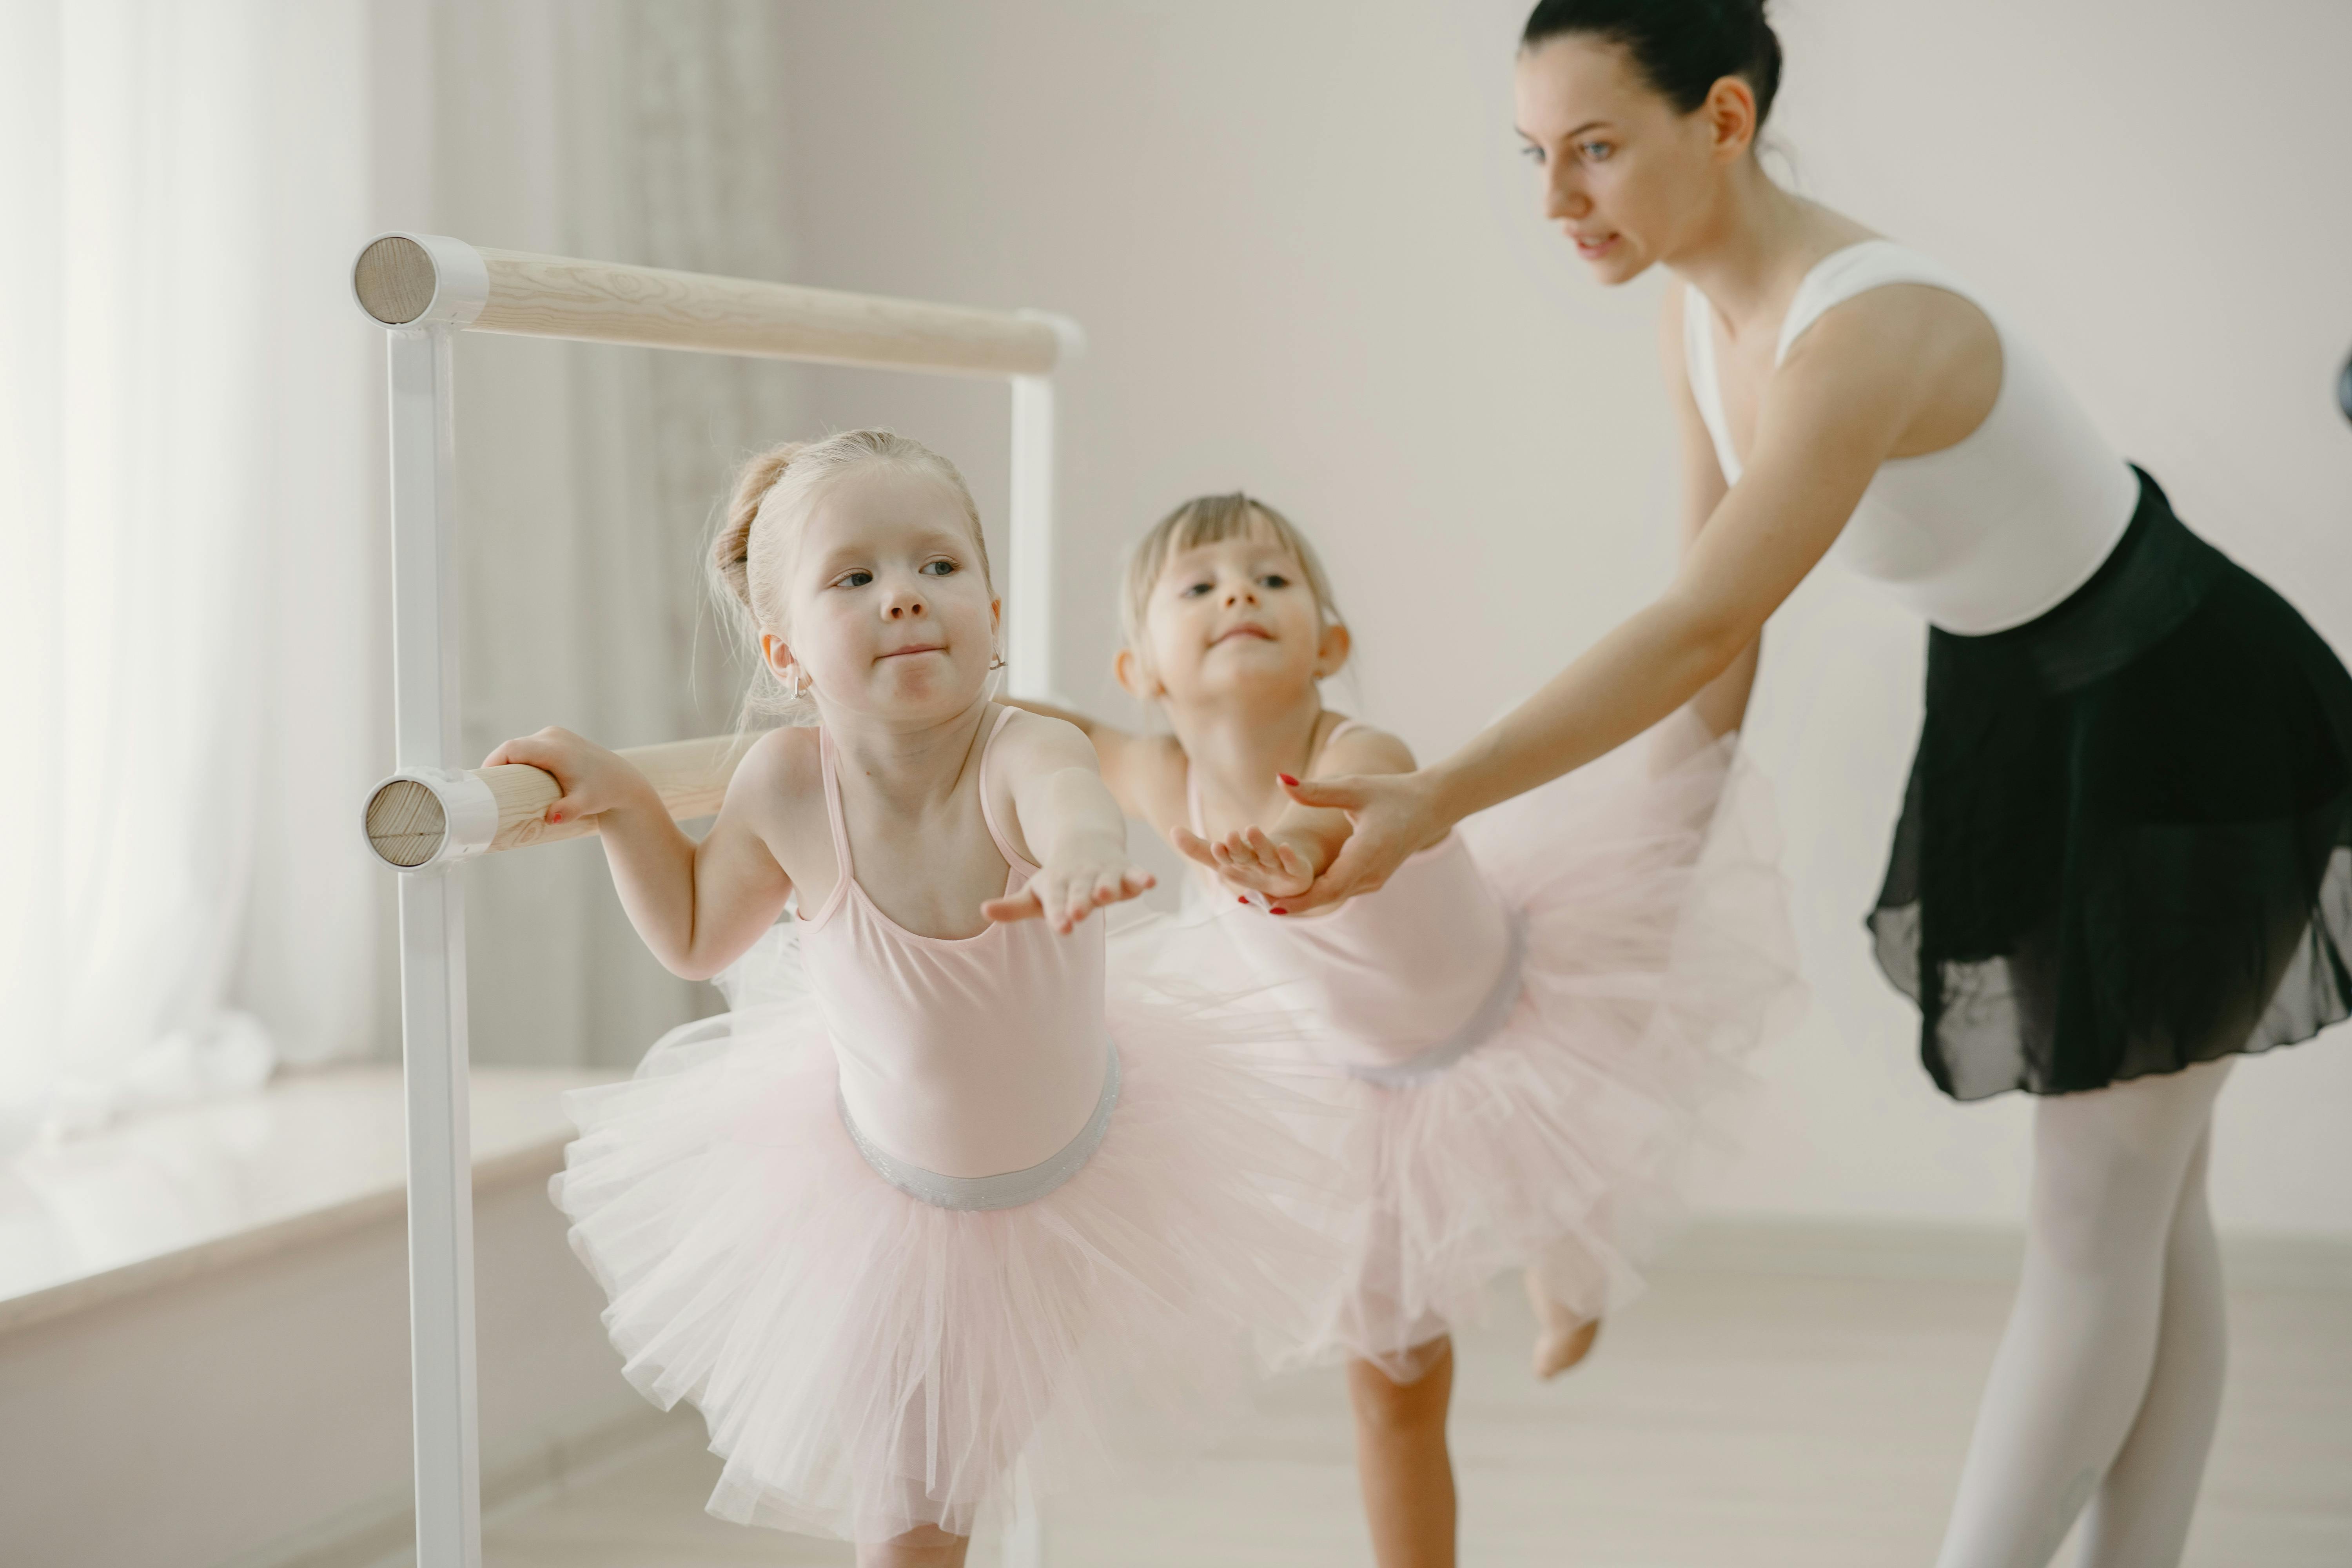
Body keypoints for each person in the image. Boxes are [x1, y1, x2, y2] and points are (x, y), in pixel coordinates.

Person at [1268, 5, 2352, 1565]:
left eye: (1593, 150)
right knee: (2145, 1206)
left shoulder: (1864, 337)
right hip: (2028, 708)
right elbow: (1718, 641)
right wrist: (1648, 896)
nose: (1558, 203)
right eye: (1534, 157)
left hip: (2187, 715)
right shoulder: (1693, 312)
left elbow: (1696, 618)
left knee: (2096, 1216)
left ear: (1719, 119)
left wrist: (1437, 794)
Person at [492, 430, 1332, 1568]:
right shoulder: (787, 785)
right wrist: (627, 811)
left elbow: (1072, 802)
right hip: (884, 1196)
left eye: (938, 567)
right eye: (857, 578)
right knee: (916, 1514)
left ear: (992, 609)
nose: (905, 599)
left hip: (1076, 1174)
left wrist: (1082, 858)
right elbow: (695, 934)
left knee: (960, 1476)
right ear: (786, 653)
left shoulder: (1019, 746)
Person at [1021, 490, 1793, 1568]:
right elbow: (1048, 732)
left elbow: (1331, 810)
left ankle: (1567, 1273)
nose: (1238, 592)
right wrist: (938, 704)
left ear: (1329, 643)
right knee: (1393, 1393)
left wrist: (1286, 850)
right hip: (1351, 1093)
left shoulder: (1359, 741)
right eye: (1196, 587)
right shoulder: (1162, 775)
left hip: (1512, 1005)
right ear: (1140, 670)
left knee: (1566, 1156)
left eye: (1273, 580)